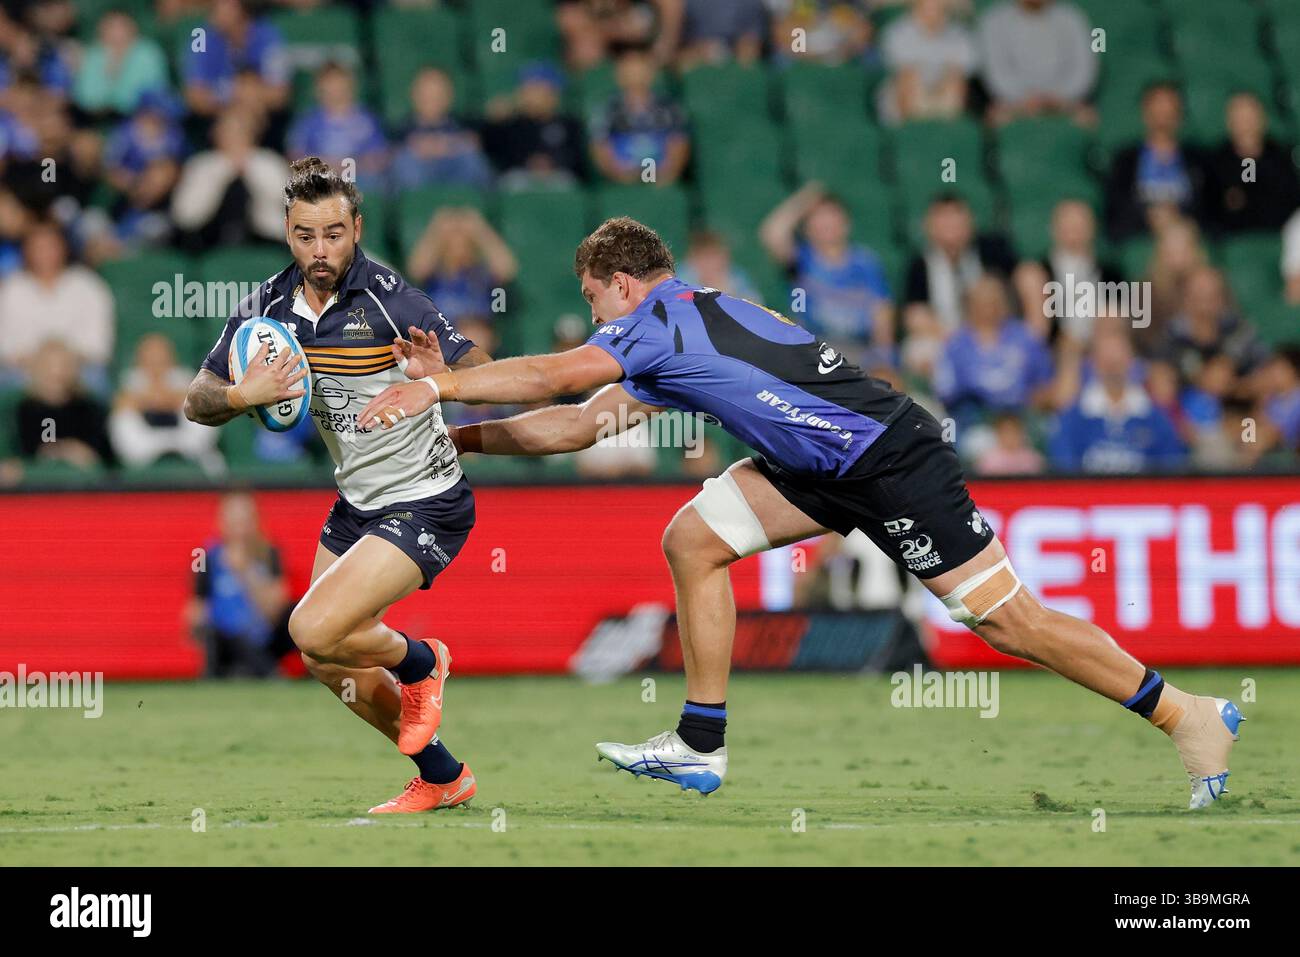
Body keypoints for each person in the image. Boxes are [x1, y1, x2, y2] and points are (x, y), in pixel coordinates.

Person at [359, 216, 1246, 810]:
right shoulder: (677, 328)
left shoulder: (661, 322)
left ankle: (1184, 715)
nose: (592, 319)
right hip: (813, 462)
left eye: (593, 300)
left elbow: (555, 378)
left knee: (1006, 622)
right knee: (694, 538)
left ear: (621, 283)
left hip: (888, 457)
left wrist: (435, 386)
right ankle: (701, 743)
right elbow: (577, 424)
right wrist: (459, 435)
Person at [183, 157, 494, 814]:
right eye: (304, 234)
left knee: (311, 623)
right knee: (322, 652)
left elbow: (488, 372)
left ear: (357, 226)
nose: (319, 250)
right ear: (286, 232)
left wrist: (443, 377)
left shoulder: (393, 299)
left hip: (427, 499)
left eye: (333, 233)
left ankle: (419, 660)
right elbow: (196, 400)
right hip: (357, 503)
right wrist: (244, 393)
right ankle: (442, 775)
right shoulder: (265, 308)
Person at [188, 491, 294, 677]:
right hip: (226, 641)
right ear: (222, 523)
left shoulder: (269, 554)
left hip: (264, 637)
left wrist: (246, 572)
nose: (240, 530)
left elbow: (276, 610)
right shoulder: (207, 558)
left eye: (245, 521)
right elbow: (195, 610)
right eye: (234, 522)